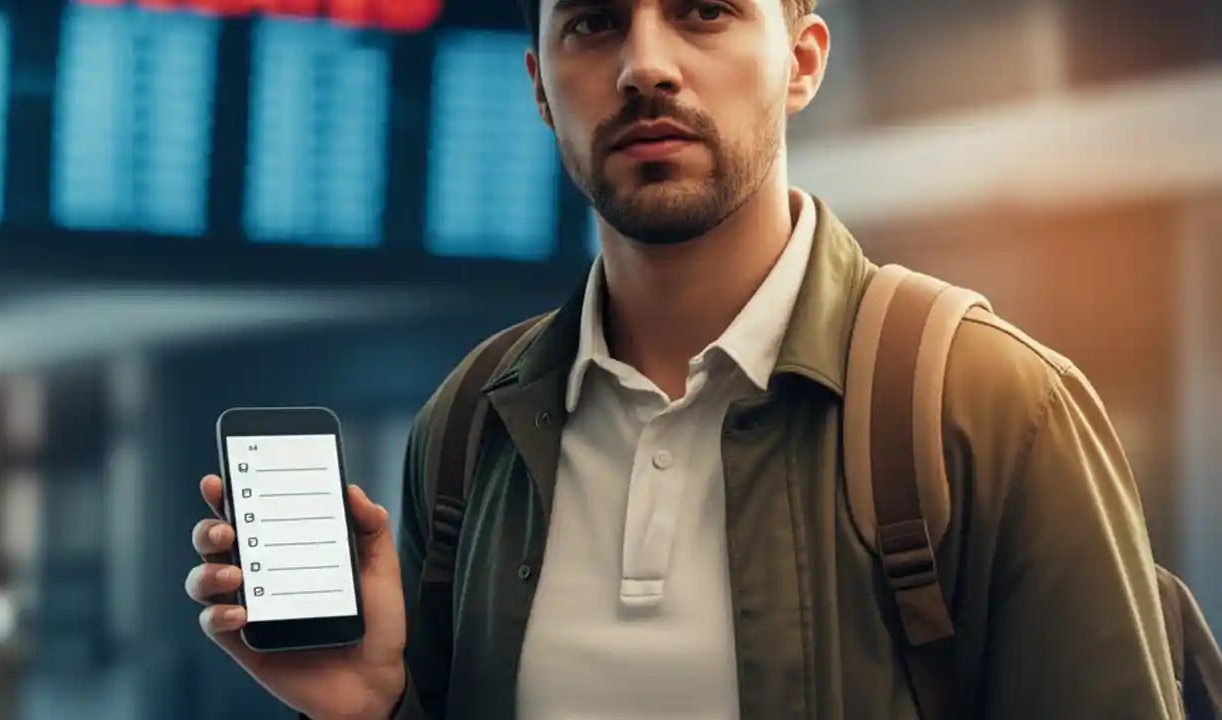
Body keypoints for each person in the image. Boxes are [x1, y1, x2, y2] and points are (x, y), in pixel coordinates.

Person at [184, 0, 1184, 717]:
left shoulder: (991, 402)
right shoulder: (471, 424)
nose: (643, 66)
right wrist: (372, 709)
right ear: (538, 87)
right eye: (591, 24)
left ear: (801, 60)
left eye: (702, 13)